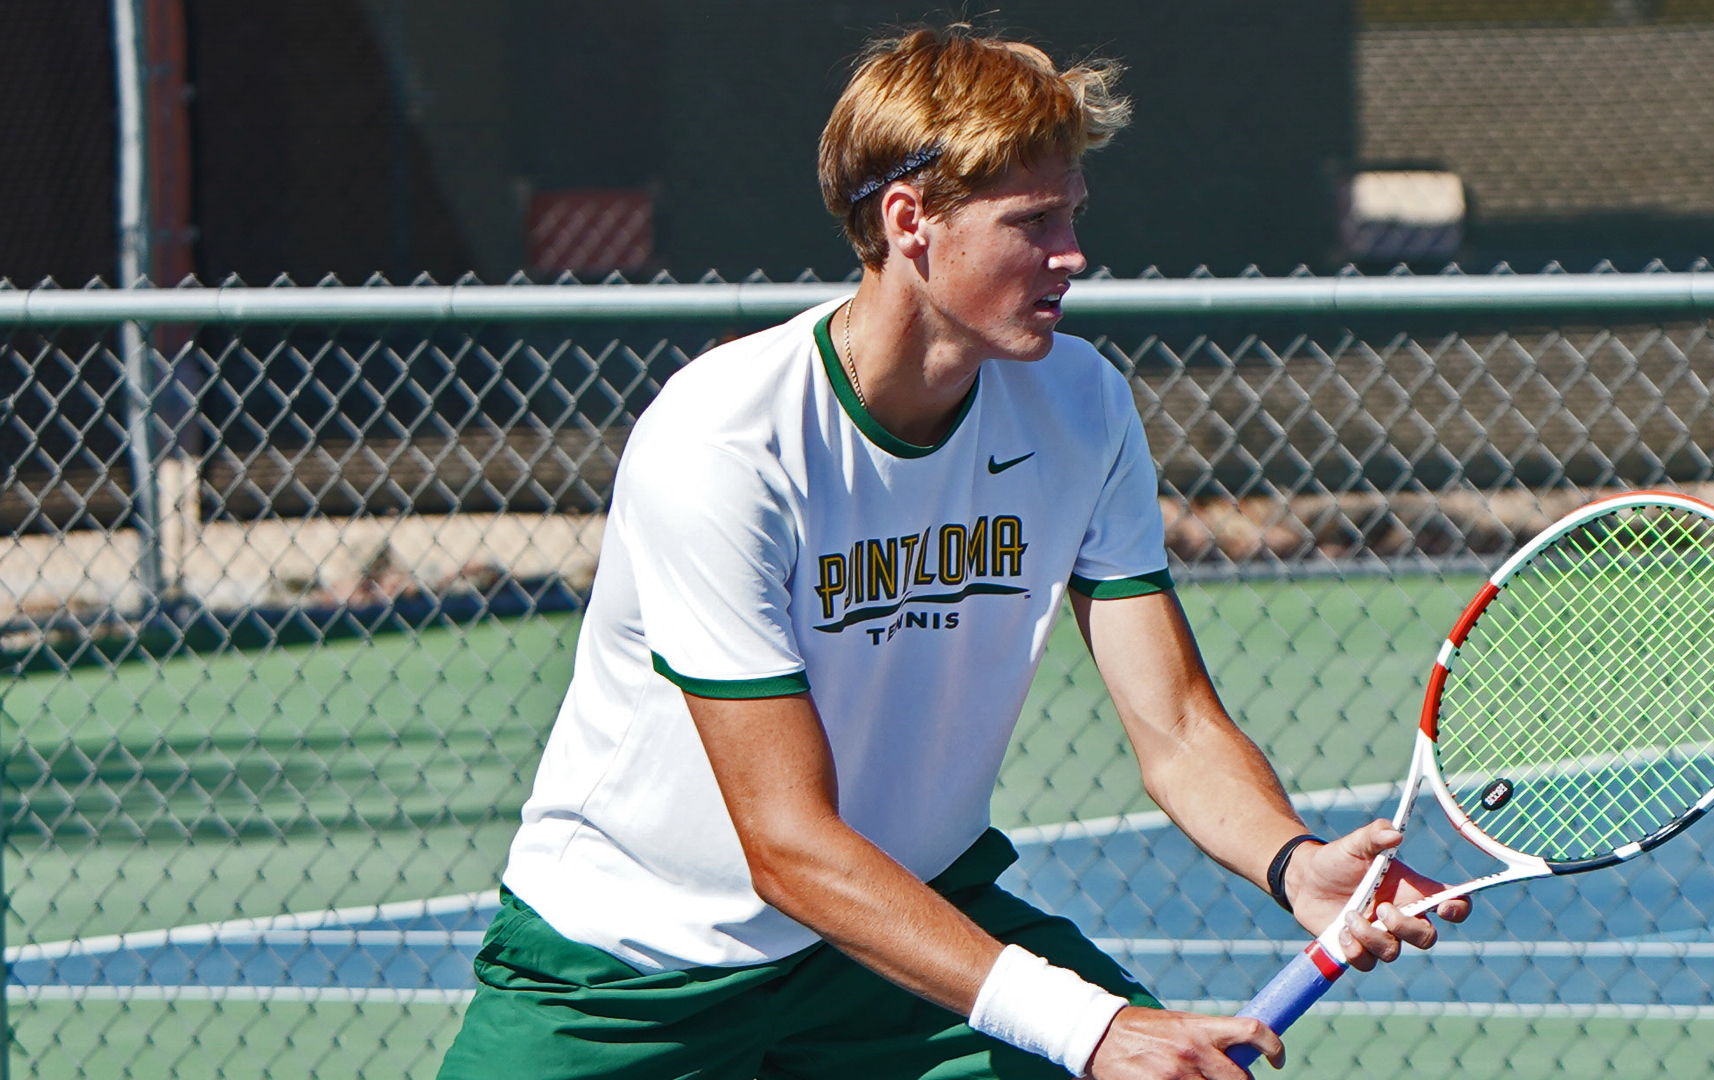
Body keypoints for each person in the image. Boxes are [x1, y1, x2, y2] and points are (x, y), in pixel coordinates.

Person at [437, 24, 1468, 1080]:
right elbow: (788, 842)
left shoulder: (1081, 404)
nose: (1072, 252)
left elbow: (1175, 724)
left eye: (1073, 213)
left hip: (901, 945)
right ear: (909, 221)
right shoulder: (727, 441)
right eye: (1033, 221)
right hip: (634, 968)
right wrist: (1090, 1026)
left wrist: (1292, 863)